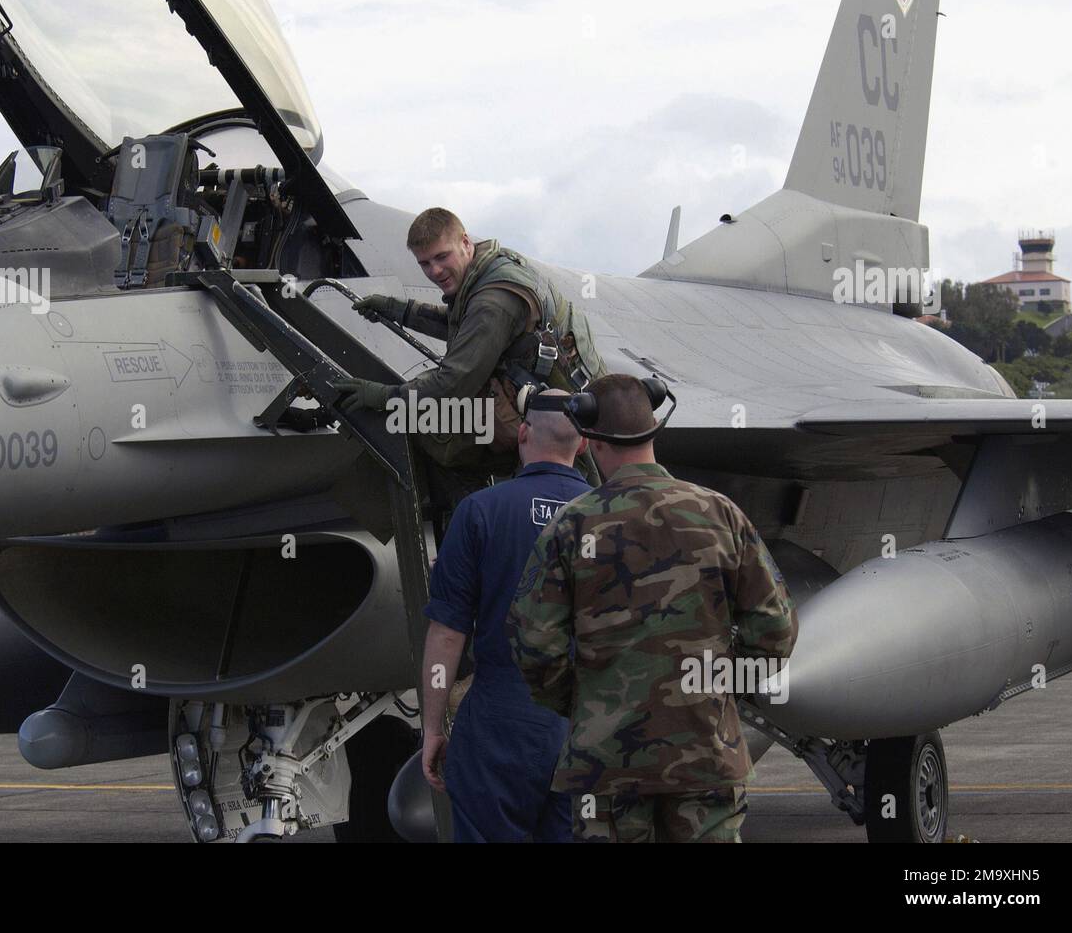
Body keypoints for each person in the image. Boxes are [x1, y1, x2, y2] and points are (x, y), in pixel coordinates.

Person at [507, 374, 797, 843]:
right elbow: (776, 629)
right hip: (705, 754)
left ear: (592, 440)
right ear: (654, 430)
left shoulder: (570, 526)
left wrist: (587, 704)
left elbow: (536, 645)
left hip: (606, 763)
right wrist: (718, 692)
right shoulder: (721, 514)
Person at [419, 390, 590, 842]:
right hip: (587, 721)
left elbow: (447, 635)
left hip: (500, 720)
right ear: (585, 444)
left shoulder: (479, 512)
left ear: (522, 434)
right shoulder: (613, 517)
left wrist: (433, 727)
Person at [333, 208, 604, 474]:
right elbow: (468, 329)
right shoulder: (491, 266)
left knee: (430, 428)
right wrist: (397, 310)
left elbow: (452, 382)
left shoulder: (493, 303)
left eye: (442, 257)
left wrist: (382, 396)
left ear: (465, 242)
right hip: (568, 410)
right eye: (425, 263)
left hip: (561, 430)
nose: (435, 271)